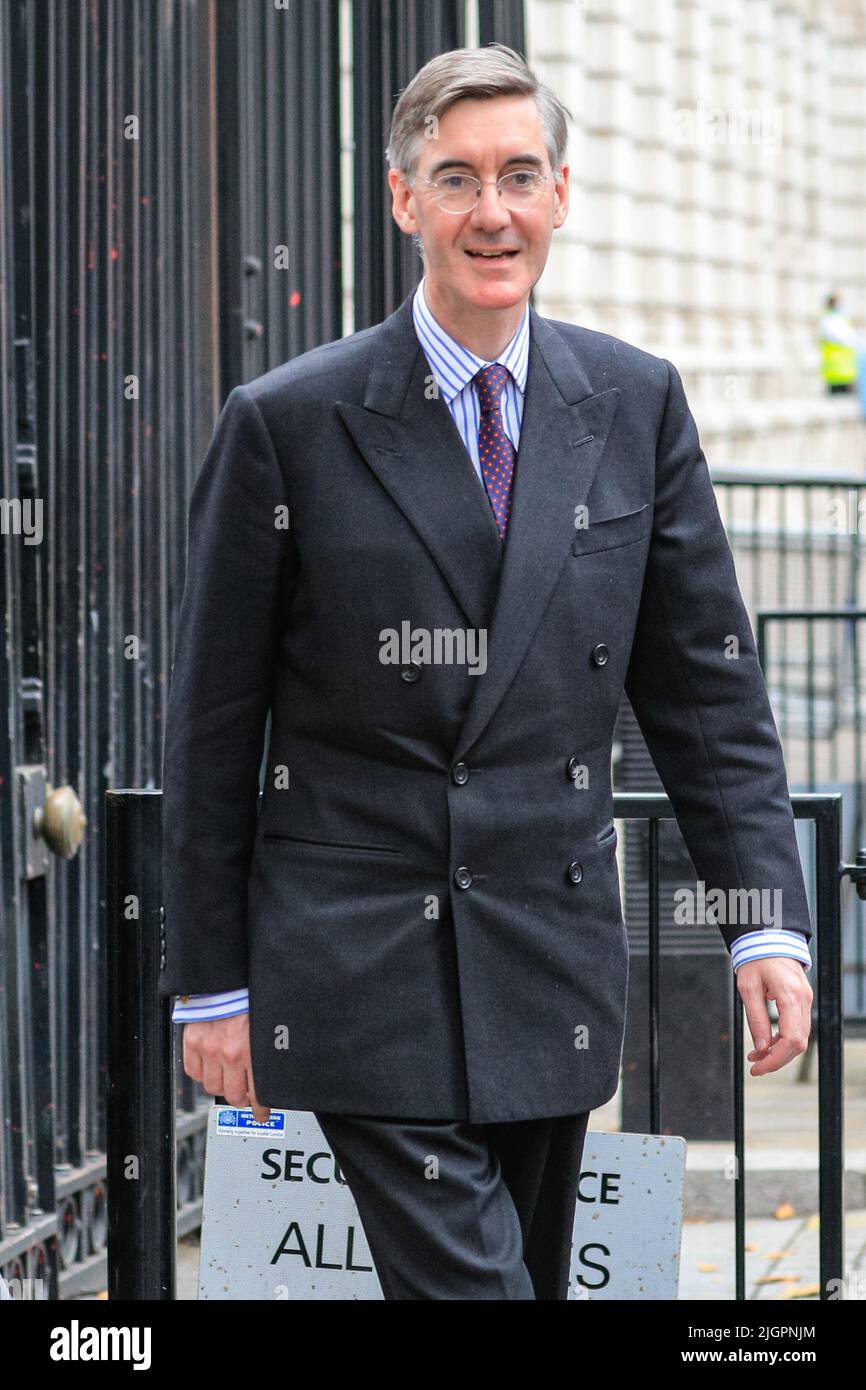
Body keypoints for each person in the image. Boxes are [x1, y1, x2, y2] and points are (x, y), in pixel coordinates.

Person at [159, 44, 814, 1300]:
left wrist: (761, 923)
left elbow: (704, 695)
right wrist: (212, 985)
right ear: (404, 202)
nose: (491, 211)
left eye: (519, 175)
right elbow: (210, 722)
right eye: (455, 179)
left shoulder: (632, 404)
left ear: (561, 194)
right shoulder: (288, 421)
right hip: (359, 967)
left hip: (546, 959)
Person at [820, 293, 859, 394]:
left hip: (845, 368)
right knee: (837, 396)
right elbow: (843, 338)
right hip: (835, 368)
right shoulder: (830, 320)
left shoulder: (842, 318)